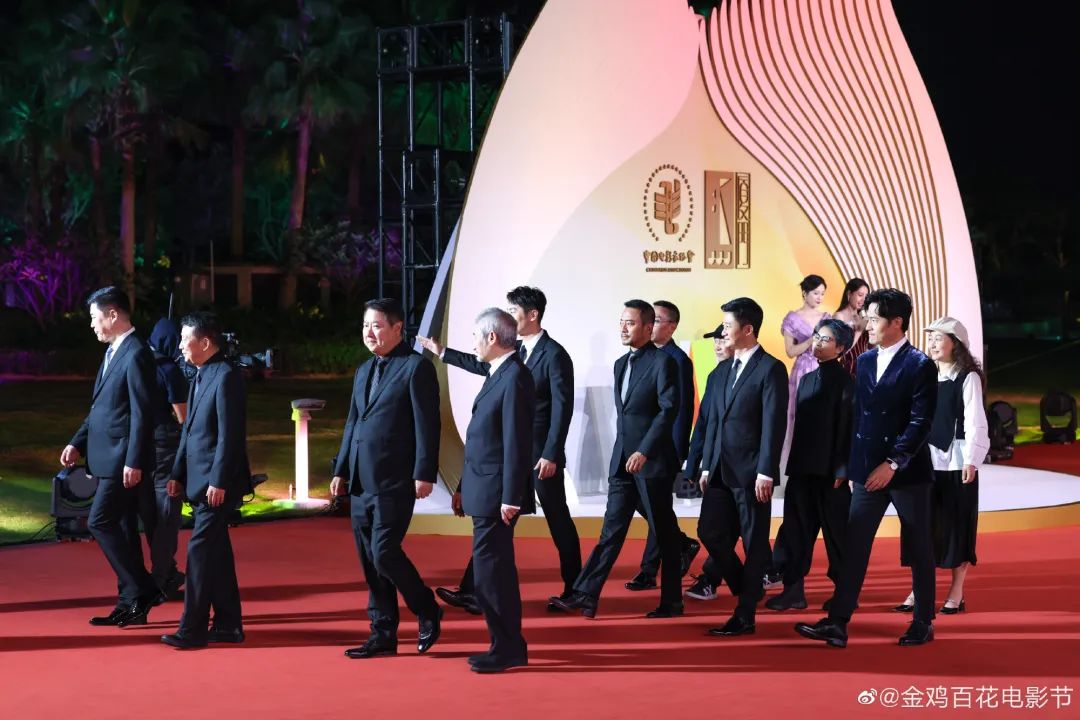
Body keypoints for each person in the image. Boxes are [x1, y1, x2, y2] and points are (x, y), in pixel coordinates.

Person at [419, 286, 580, 614]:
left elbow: (563, 409)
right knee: (495, 523)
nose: (508, 316)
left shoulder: (555, 354)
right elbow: (483, 366)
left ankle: (576, 588)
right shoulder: (513, 350)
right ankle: (472, 590)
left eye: (514, 311)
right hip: (511, 455)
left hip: (539, 457)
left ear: (532, 315)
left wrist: (551, 453)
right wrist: (443, 352)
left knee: (558, 520)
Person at [795, 288, 938, 648]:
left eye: (873, 319)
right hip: (865, 471)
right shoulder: (866, 361)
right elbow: (857, 416)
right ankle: (838, 621)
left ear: (896, 323)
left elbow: (921, 422)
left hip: (906, 473)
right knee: (854, 545)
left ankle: (923, 621)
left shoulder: (920, 364)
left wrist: (893, 463)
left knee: (919, 546)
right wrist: (850, 465)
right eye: (867, 317)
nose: (866, 324)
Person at [550, 300, 683, 619]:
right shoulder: (620, 365)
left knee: (664, 534)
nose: (623, 328)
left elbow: (669, 410)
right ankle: (586, 594)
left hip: (652, 463)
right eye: (621, 322)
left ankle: (672, 602)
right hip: (622, 462)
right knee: (611, 531)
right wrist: (627, 452)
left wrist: (645, 450)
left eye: (631, 323)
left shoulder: (664, 363)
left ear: (649, 327)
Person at [331, 298, 443, 659]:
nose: (369, 333)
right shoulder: (364, 370)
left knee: (383, 553)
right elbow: (353, 422)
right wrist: (340, 470)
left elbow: (428, 425)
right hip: (361, 481)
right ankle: (382, 633)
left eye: (377, 326)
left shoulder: (415, 368)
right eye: (365, 326)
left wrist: (424, 473)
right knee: (368, 559)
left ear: (397, 329)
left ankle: (427, 608)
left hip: (396, 480)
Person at [61, 286, 159, 628]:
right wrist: (78, 442)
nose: (91, 325)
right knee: (123, 529)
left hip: (122, 461)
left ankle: (144, 588)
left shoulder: (136, 353)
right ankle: (130, 603)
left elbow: (143, 413)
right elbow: (102, 409)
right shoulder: (114, 352)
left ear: (113, 315)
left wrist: (134, 460)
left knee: (100, 522)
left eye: (94, 317)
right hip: (105, 457)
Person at [695, 297, 788, 637]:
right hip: (719, 470)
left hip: (752, 473)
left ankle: (745, 615)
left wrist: (767, 470)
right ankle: (747, 587)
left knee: (754, 542)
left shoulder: (770, 368)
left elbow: (773, 424)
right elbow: (713, 423)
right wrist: (706, 465)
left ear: (747, 329)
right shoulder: (720, 370)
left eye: (727, 326)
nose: (722, 331)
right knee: (709, 532)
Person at [161, 312, 247, 648]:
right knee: (217, 555)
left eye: (185, 340)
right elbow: (190, 431)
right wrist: (177, 474)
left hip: (217, 485)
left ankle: (192, 629)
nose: (180, 346)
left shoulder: (226, 376)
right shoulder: (200, 375)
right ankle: (228, 625)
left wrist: (219, 481)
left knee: (199, 552)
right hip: (200, 481)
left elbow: (230, 436)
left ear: (205, 342)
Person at [893, 316, 988, 615]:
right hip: (923, 460)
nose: (932, 343)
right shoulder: (922, 374)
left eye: (938, 338)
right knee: (921, 526)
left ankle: (956, 591)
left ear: (955, 344)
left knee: (957, 525)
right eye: (930, 338)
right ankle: (918, 590)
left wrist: (972, 459)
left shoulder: (967, 377)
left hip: (957, 460)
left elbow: (975, 421)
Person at [458, 308, 535, 673]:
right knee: (492, 572)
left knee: (492, 574)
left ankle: (506, 647)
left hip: (496, 495)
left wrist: (511, 496)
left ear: (491, 338)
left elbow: (516, 442)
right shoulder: (500, 373)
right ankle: (506, 644)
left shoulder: (514, 377)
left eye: (475, 336)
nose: (472, 343)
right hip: (484, 489)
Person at [765, 318, 854, 612]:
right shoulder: (805, 380)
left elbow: (847, 428)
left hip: (831, 474)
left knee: (838, 537)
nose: (817, 342)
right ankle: (793, 591)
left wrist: (843, 470)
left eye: (826, 339)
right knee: (794, 530)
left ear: (841, 348)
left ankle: (844, 594)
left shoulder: (846, 382)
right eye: (816, 336)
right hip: (803, 468)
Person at [624, 300, 700, 592]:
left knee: (658, 508)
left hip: (663, 449)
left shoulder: (676, 360)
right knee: (653, 508)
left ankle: (649, 570)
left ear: (672, 327)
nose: (650, 324)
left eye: (656, 320)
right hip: (641, 449)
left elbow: (678, 411)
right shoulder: (642, 357)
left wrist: (679, 451)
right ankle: (681, 543)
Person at [684, 324, 744, 602]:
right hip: (717, 468)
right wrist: (696, 464)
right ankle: (744, 583)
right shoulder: (716, 375)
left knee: (735, 529)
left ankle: (714, 579)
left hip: (745, 468)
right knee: (714, 529)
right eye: (715, 340)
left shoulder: (754, 373)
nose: (717, 345)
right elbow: (705, 424)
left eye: (723, 339)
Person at [143, 317, 188, 604]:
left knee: (151, 515)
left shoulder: (138, 362)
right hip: (165, 447)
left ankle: (165, 571)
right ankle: (161, 577)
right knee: (166, 514)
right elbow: (183, 417)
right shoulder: (169, 369)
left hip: (139, 447)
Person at [782, 275, 831, 432]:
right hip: (802, 370)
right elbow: (790, 352)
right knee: (798, 415)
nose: (820, 298)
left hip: (822, 369)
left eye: (822, 294)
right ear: (804, 293)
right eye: (816, 293)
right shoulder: (792, 319)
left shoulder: (826, 318)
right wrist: (810, 341)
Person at [834, 278, 871, 377]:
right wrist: (859, 331)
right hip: (847, 370)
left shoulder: (862, 316)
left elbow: (869, 347)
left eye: (866, 296)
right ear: (849, 294)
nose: (863, 300)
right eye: (860, 295)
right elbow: (839, 351)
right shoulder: (839, 316)